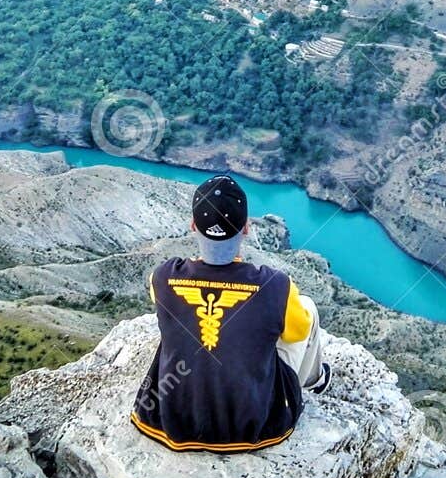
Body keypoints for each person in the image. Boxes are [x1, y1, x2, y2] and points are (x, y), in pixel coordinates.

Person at [132, 173, 331, 452]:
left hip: (176, 419)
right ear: (246, 228)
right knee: (305, 308)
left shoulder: (162, 277)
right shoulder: (276, 286)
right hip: (250, 422)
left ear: (193, 225)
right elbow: (296, 333)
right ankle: (315, 380)